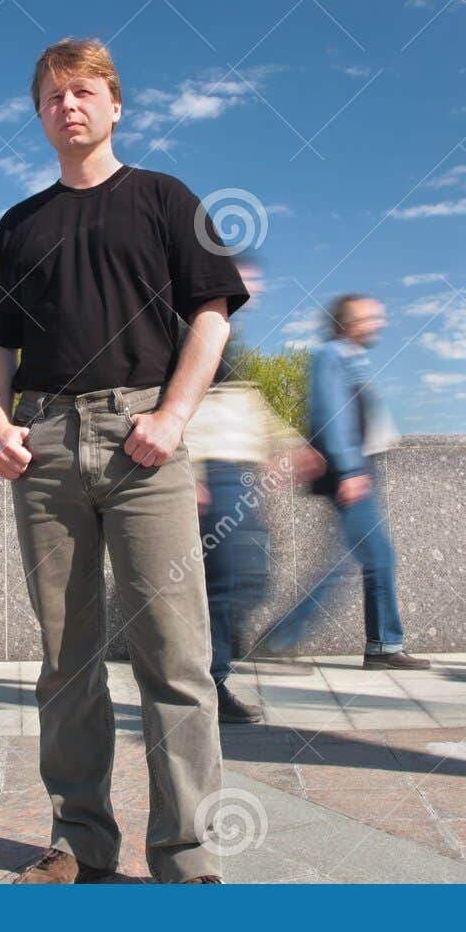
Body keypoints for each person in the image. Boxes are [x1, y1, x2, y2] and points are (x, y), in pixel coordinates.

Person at [0, 37, 248, 884]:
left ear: (116, 104)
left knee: (174, 654)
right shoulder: (19, 223)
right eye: (53, 97)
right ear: (40, 115)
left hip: (143, 440)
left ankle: (187, 855)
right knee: (67, 659)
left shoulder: (167, 199)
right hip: (47, 444)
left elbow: (213, 314)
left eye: (85, 91)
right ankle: (83, 844)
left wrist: (172, 414)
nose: (70, 106)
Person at [184, 256, 321, 723]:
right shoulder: (195, 331)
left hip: (237, 475)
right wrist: (189, 473)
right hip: (215, 473)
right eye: (246, 279)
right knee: (223, 586)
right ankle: (211, 684)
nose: (253, 289)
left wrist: (286, 444)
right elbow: (180, 399)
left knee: (247, 579)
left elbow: (241, 399)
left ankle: (210, 668)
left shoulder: (224, 337)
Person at [264, 295, 428, 669]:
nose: (377, 324)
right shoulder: (332, 356)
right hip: (352, 472)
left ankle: (382, 645)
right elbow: (331, 414)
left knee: (364, 559)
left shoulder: (351, 359)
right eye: (370, 317)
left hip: (361, 469)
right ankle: (284, 638)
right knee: (361, 561)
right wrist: (351, 470)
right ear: (348, 323)